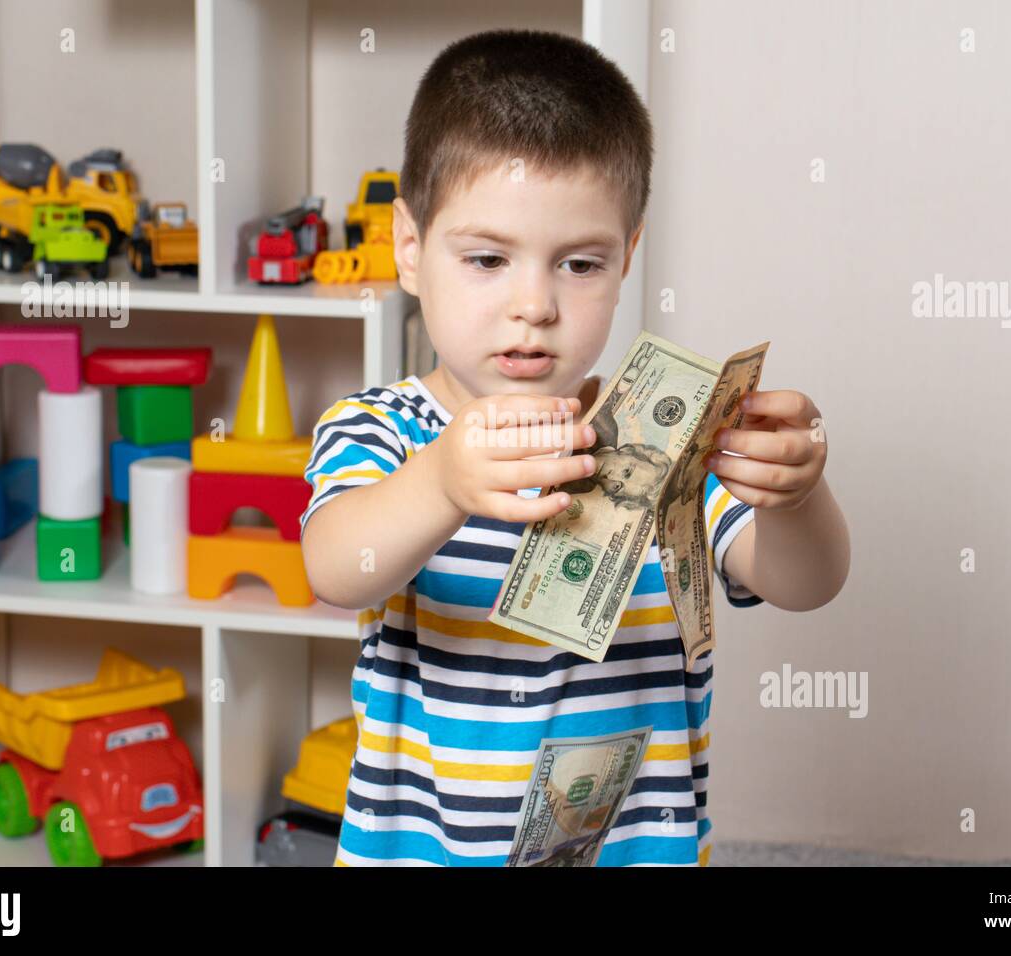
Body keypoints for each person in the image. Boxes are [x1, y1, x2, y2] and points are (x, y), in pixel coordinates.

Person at [300, 28, 850, 866]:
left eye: (579, 265)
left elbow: (807, 584)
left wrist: (799, 498)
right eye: (487, 258)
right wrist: (442, 482)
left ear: (628, 257)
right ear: (410, 249)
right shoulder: (385, 431)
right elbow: (338, 571)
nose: (534, 305)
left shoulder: (667, 444)